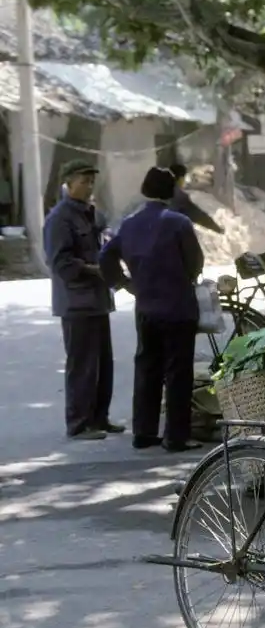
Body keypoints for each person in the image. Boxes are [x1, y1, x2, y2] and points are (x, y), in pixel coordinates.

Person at [100, 167, 205, 452]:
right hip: (178, 306)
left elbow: (105, 256)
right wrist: (184, 277)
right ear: (171, 191)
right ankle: (176, 436)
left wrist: (125, 283)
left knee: (147, 369)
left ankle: (144, 433)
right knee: (178, 372)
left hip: (145, 307)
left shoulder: (129, 224)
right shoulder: (179, 222)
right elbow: (196, 262)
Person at [44, 159, 120, 441]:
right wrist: (93, 270)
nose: (89, 187)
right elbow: (60, 264)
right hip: (77, 303)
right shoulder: (59, 219)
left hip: (98, 300)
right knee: (83, 364)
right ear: (69, 183)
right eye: (84, 181)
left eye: (91, 181)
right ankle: (78, 424)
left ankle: (100, 418)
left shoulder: (90, 214)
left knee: (103, 363)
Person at [168, 163, 224, 235]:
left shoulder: (155, 192)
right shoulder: (179, 197)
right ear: (180, 178)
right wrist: (217, 229)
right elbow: (198, 216)